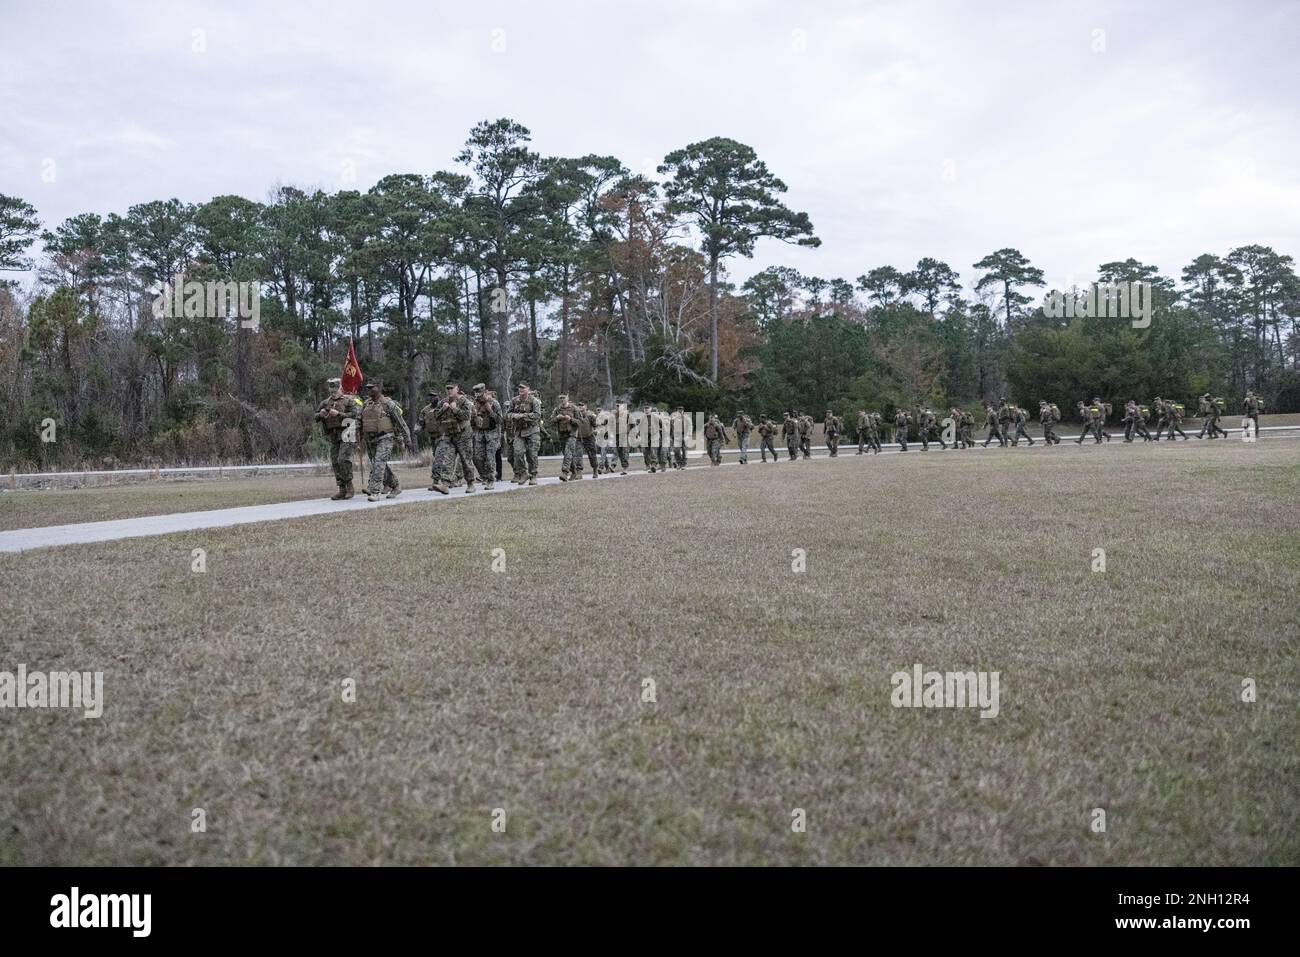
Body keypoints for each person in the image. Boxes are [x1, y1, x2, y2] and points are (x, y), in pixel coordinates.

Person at [359, 381, 411, 501]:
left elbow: (401, 423)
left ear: (379, 388)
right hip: (371, 439)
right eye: (368, 388)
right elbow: (359, 420)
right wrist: (356, 434)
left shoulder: (388, 404)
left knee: (379, 463)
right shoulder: (366, 404)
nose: (370, 390)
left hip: (386, 437)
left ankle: (375, 492)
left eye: (373, 388)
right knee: (379, 464)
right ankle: (395, 485)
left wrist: (407, 439)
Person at [315, 376, 362, 499]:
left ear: (340, 388)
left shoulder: (348, 401)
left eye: (335, 391)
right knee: (335, 462)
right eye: (331, 391)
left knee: (343, 459)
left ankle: (350, 487)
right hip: (334, 435)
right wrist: (320, 414)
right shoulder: (325, 403)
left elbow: (354, 415)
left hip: (347, 433)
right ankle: (342, 489)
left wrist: (340, 414)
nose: (333, 393)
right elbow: (315, 417)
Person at [428, 382, 477, 494]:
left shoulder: (464, 401)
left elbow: (467, 416)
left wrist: (455, 409)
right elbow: (435, 416)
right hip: (449, 435)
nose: (449, 390)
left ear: (457, 389)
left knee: (466, 460)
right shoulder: (443, 402)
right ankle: (445, 484)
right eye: (447, 388)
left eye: (451, 388)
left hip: (463, 435)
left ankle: (470, 484)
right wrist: (443, 410)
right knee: (447, 459)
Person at [507, 382, 543, 484]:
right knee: (517, 453)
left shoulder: (534, 401)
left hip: (532, 430)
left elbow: (537, 415)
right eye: (520, 388)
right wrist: (513, 415)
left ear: (528, 389)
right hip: (519, 431)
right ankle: (523, 473)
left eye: (523, 388)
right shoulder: (514, 401)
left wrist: (524, 416)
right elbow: (507, 414)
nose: (521, 390)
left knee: (532, 454)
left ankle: (533, 475)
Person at [552, 394, 581, 481]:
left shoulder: (574, 408)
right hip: (562, 434)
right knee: (567, 454)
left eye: (563, 398)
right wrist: (557, 418)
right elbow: (551, 421)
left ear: (568, 398)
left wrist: (571, 419)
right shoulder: (557, 409)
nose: (562, 399)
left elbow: (580, 422)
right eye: (560, 398)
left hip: (572, 434)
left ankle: (564, 473)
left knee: (568, 452)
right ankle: (574, 471)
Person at [574, 401, 601, 478]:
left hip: (589, 437)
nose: (580, 407)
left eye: (582, 405)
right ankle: (579, 472)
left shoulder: (590, 415)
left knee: (592, 455)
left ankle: (595, 469)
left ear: (586, 406)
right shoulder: (575, 415)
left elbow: (597, 424)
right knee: (578, 454)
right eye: (579, 405)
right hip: (579, 438)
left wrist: (596, 430)